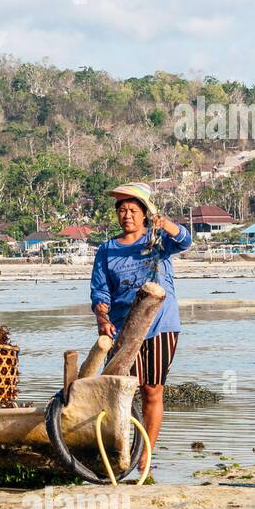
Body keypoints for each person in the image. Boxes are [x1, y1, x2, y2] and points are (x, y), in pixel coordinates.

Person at [89, 182, 192, 453]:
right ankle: (123, 450)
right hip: (125, 330)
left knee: (152, 390)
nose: (127, 215)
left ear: (144, 214)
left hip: (161, 326)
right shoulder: (107, 250)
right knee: (121, 391)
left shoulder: (157, 241)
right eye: (122, 210)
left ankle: (145, 456)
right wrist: (102, 318)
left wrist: (165, 223)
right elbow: (100, 292)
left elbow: (185, 240)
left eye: (133, 210)